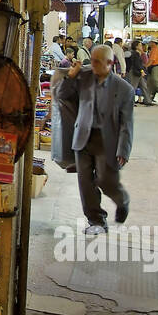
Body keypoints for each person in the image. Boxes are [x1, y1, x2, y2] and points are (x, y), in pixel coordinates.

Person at [56, 44, 134, 234]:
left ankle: (121, 199)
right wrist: (71, 76)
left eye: (97, 62)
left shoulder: (125, 89)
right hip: (83, 136)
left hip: (107, 141)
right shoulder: (84, 77)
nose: (92, 65)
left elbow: (127, 123)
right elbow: (61, 95)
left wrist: (124, 150)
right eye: (91, 60)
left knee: (105, 180)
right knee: (85, 182)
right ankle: (97, 221)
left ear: (110, 63)